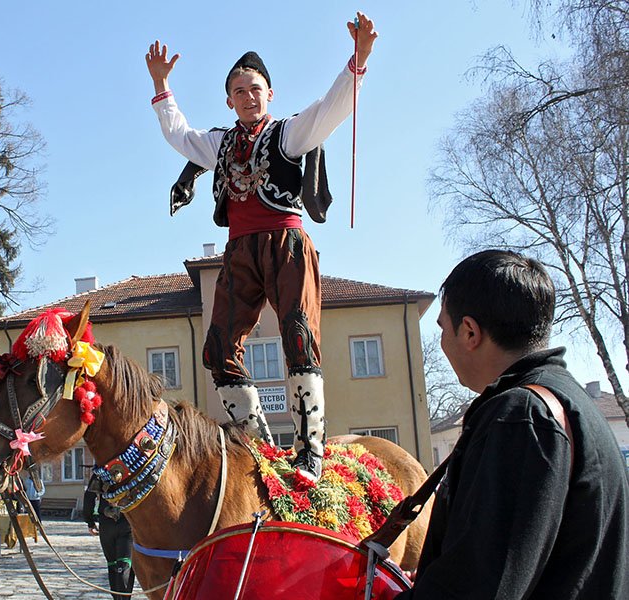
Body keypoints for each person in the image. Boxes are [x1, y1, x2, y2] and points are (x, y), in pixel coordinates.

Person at [145, 14, 378, 481]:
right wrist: (161, 86)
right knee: (218, 347)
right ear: (229, 101)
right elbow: (180, 137)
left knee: (297, 335)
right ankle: (259, 443)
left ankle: (310, 448)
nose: (248, 97)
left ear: (269, 93)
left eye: (255, 88)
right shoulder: (220, 143)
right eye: (239, 90)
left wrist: (360, 58)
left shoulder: (288, 133)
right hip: (239, 252)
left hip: (285, 244)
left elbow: (331, 108)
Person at [398, 250, 629, 599]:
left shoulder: (520, 417)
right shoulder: (567, 400)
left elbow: (478, 587)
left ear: (470, 332)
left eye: (443, 328)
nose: (443, 342)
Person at [84, 473, 135, 600]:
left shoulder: (101, 471)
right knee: (124, 565)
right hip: (127, 522)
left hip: (106, 524)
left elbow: (89, 496)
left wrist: (90, 521)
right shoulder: (132, 465)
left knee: (113, 566)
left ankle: (117, 598)